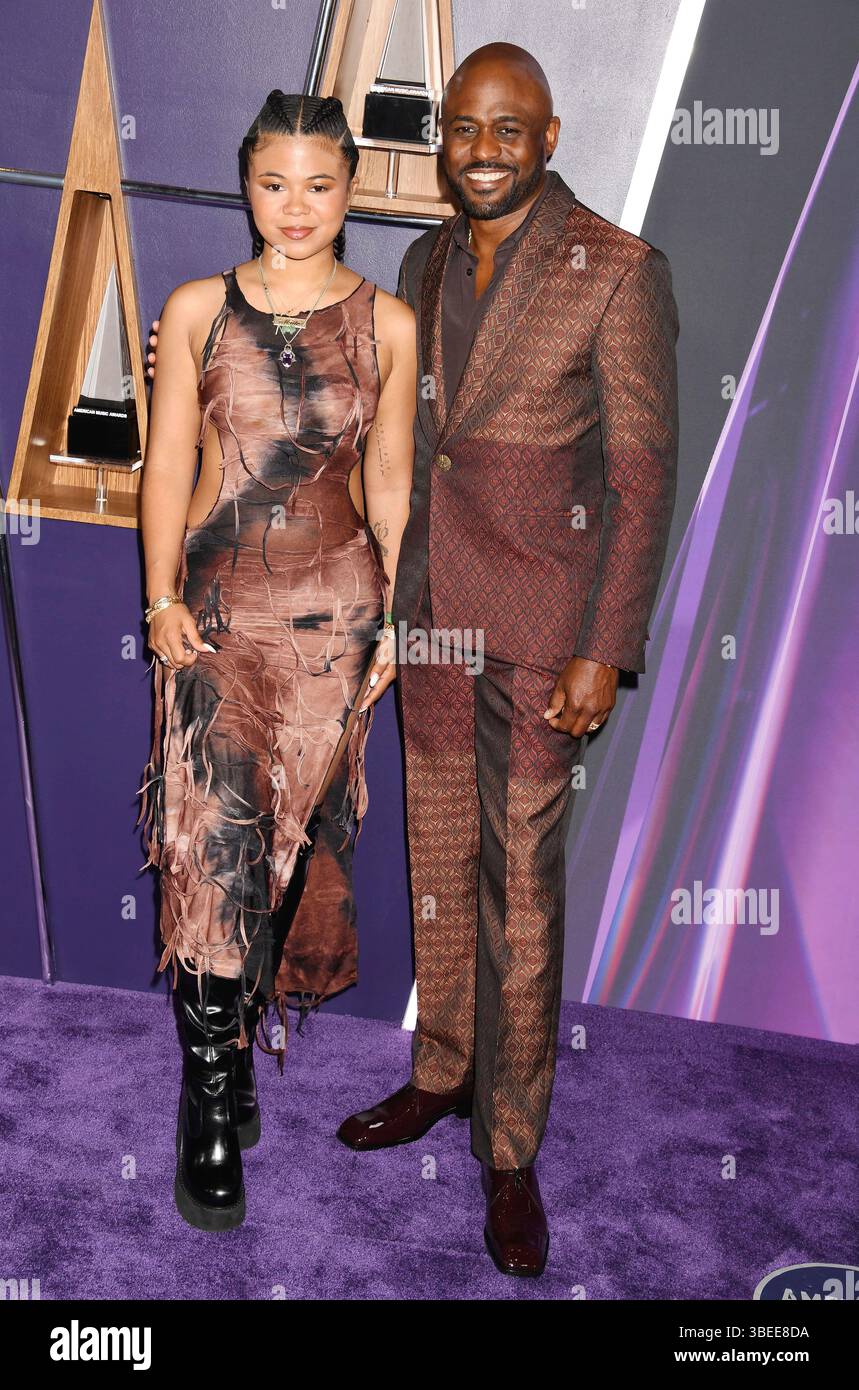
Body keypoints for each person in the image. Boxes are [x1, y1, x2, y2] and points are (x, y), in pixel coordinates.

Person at [336, 44, 679, 1279]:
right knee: (438, 853)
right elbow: (405, 439)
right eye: (464, 129)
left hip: (544, 629)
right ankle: (442, 1072)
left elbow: (639, 486)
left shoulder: (617, 269)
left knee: (520, 883)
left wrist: (603, 646)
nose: (482, 149)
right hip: (431, 612)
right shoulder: (424, 262)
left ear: (546, 138)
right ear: (447, 142)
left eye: (507, 130)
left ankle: (511, 1150)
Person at [136, 92, 415, 1231]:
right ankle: (208, 1102)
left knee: (290, 856)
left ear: (351, 189)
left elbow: (388, 482)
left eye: (319, 184)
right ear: (243, 185)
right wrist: (155, 597)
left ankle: (239, 1046)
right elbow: (165, 469)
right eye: (271, 183)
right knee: (211, 849)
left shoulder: (387, 325)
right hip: (214, 618)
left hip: (336, 625)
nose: (294, 208)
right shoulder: (197, 308)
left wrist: (400, 615)